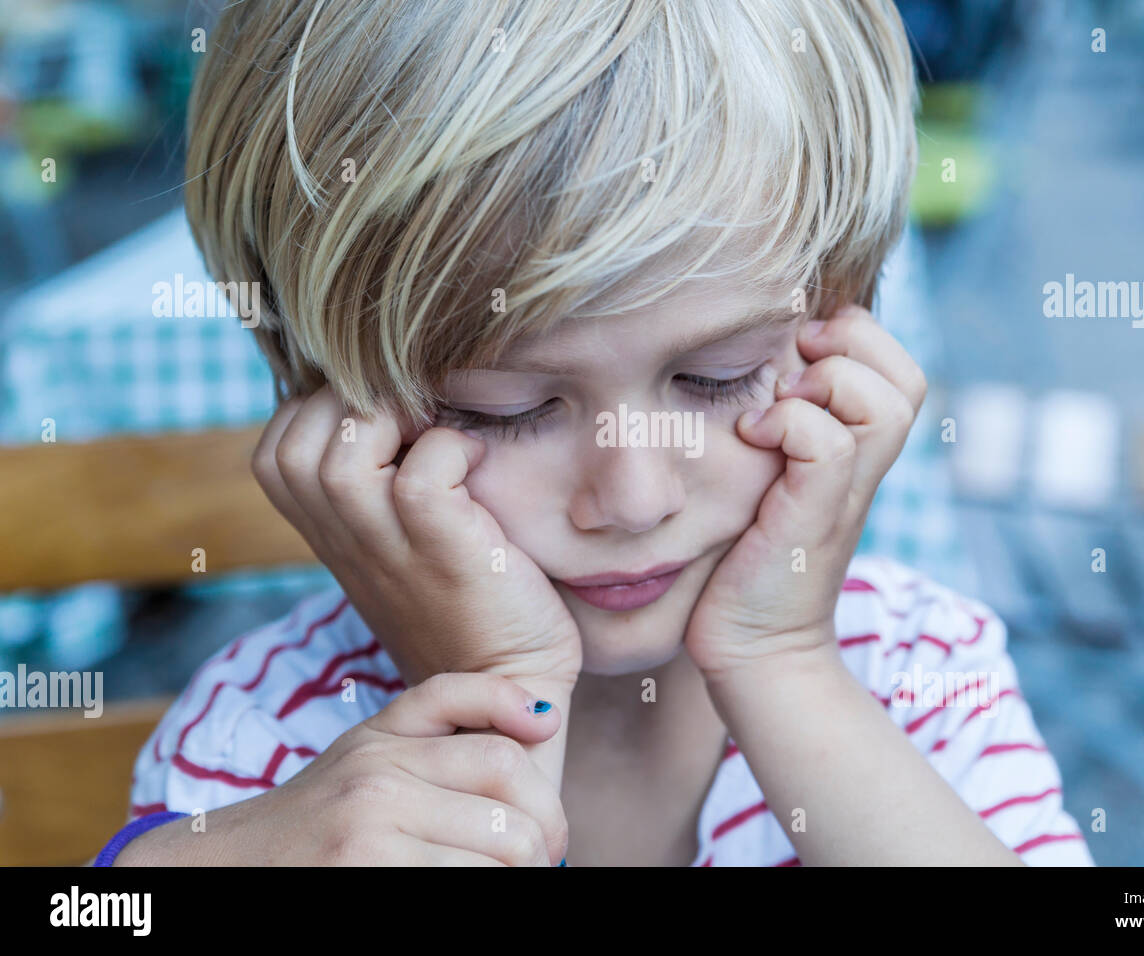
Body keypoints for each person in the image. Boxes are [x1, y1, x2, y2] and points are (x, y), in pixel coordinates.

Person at [102, 0, 1092, 866]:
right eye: (503, 406)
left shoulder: (918, 667)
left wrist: (779, 660)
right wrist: (500, 697)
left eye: (717, 377)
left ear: (846, 326)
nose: (631, 499)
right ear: (327, 403)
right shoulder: (271, 742)